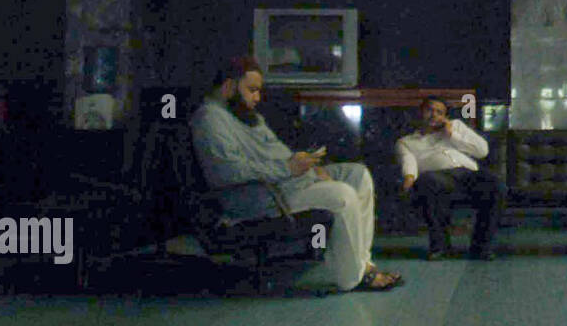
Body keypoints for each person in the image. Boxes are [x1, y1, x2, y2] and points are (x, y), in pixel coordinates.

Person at [189, 56, 401, 292]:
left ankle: (364, 263)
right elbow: (226, 172)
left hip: (287, 183)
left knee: (357, 174)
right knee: (342, 195)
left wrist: (309, 167)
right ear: (229, 86)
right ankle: (353, 278)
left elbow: (278, 153)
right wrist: (290, 169)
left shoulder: (249, 117)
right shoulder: (210, 119)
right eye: (252, 90)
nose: (257, 98)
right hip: (263, 198)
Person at [397, 96, 505, 261]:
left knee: (495, 184)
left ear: (445, 116)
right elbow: (408, 162)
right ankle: (440, 246)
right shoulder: (406, 142)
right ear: (420, 113)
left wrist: (452, 135)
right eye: (430, 110)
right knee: (428, 181)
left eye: (439, 112)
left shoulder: (456, 126)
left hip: (467, 174)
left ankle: (481, 247)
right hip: (437, 177)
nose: (434, 115)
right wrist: (409, 178)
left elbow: (482, 151)